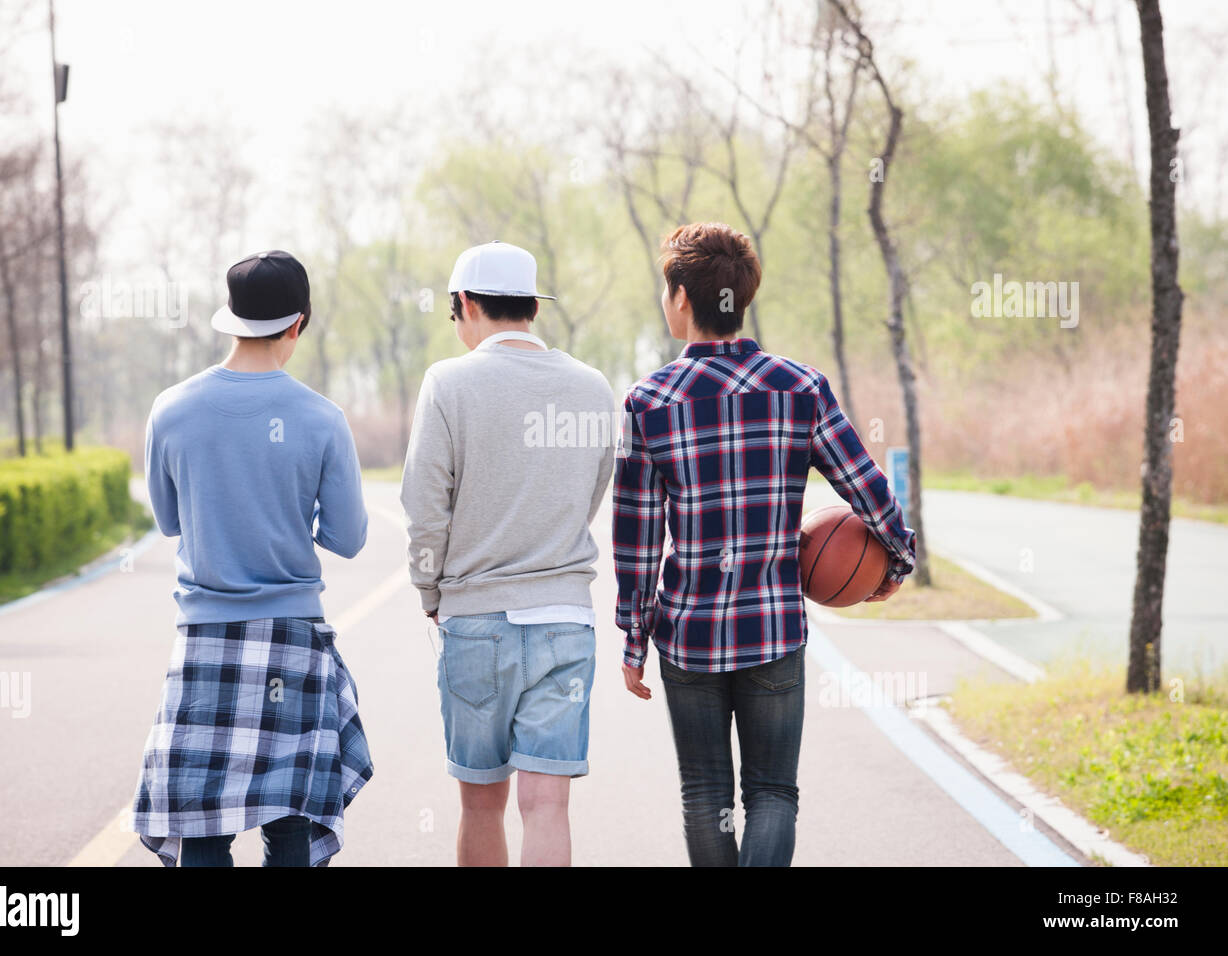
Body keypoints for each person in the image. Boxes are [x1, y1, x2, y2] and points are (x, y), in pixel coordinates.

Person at [612, 222, 916, 867]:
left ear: (681, 297)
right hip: (772, 629)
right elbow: (865, 484)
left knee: (704, 795)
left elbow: (636, 537)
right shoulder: (800, 387)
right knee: (773, 792)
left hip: (688, 635)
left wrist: (633, 636)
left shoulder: (649, 401)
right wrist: (898, 555)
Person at [130, 249, 373, 867]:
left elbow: (168, 519)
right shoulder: (322, 418)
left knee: (202, 824)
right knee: (290, 824)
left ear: (230, 320)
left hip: (204, 641)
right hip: (291, 643)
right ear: (299, 324)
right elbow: (348, 537)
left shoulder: (171, 409)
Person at [401, 240, 617, 867]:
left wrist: (430, 592)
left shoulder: (448, 382)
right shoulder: (591, 385)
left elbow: (423, 509)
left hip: (476, 621)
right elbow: (591, 490)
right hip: (564, 620)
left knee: (480, 806)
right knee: (547, 806)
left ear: (465, 304)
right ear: (532, 307)